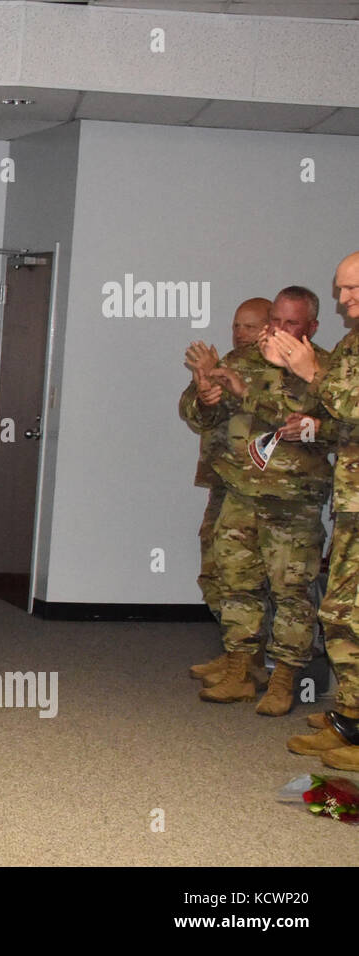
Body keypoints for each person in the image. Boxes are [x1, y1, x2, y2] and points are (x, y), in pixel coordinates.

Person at [186, 287, 332, 716]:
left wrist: (244, 392)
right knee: (236, 583)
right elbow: (196, 414)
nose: (280, 331)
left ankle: (284, 678)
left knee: (291, 592)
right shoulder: (242, 360)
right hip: (239, 492)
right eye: (276, 321)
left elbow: (326, 426)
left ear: (312, 327)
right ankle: (239, 670)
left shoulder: (322, 369)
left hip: (294, 500)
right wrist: (204, 397)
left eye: (292, 323)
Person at [260, 256, 359, 768]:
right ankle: (350, 719)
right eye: (340, 291)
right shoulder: (352, 342)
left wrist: (312, 370)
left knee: (348, 611)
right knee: (341, 612)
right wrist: (317, 428)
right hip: (352, 498)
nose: (344, 300)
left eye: (351, 289)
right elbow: (342, 414)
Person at [179, 298, 270, 639]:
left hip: (261, 486)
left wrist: (223, 379)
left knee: (247, 574)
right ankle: (238, 651)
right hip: (223, 481)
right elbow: (191, 411)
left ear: (270, 325)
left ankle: (251, 654)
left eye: (250, 326)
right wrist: (202, 390)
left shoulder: (281, 367)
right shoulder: (227, 361)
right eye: (236, 325)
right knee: (214, 568)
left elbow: (270, 414)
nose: (240, 333)